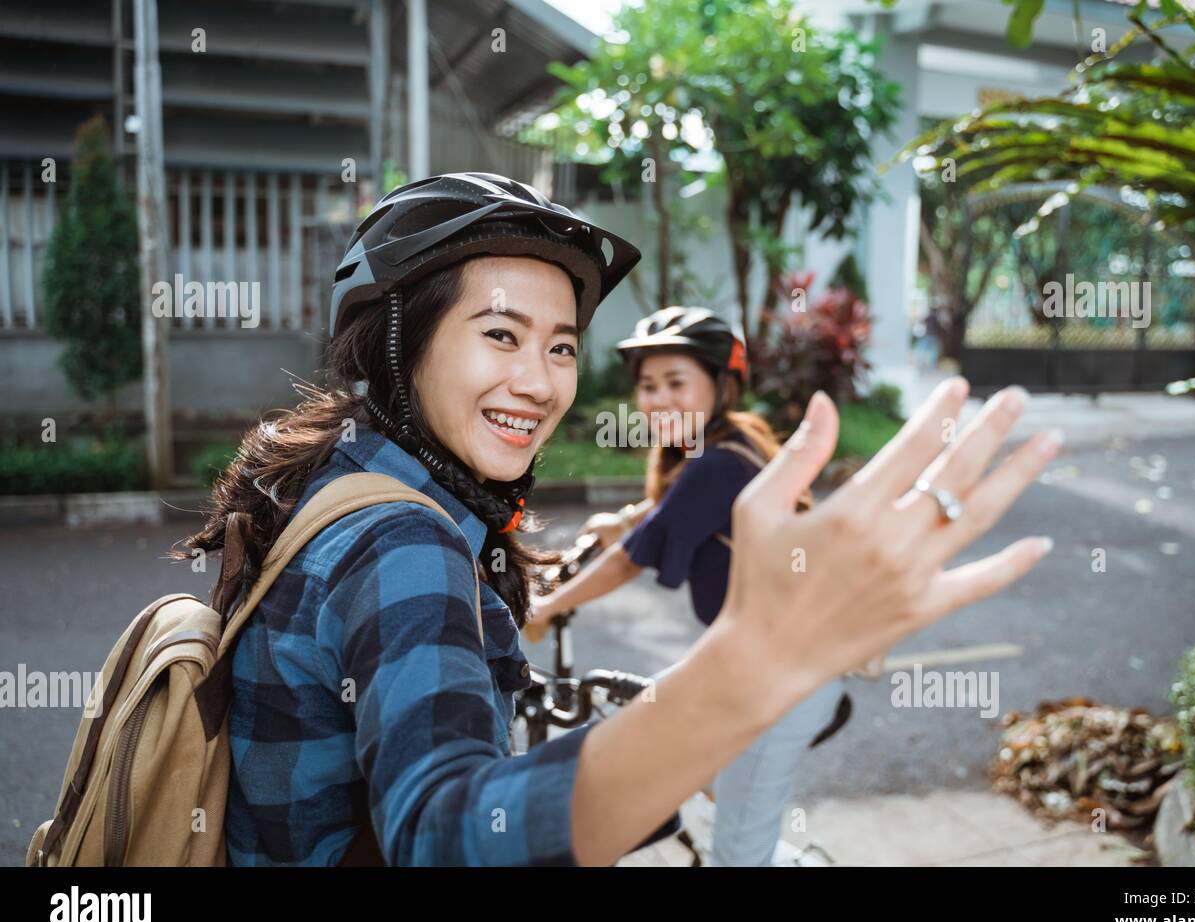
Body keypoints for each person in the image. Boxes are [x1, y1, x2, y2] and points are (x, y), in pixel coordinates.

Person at [178, 171, 1060, 866]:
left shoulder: (330, 475)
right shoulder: (401, 540)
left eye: (561, 345)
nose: (541, 380)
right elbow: (446, 838)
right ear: (402, 343)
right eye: (501, 335)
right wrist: (760, 659)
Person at [528, 306, 850, 865]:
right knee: (665, 742)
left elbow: (631, 562)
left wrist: (546, 607)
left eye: (677, 382)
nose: (658, 400)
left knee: (737, 852)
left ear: (722, 386)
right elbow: (667, 511)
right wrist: (625, 520)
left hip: (787, 678)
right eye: (649, 386)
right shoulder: (721, 447)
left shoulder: (719, 462)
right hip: (752, 659)